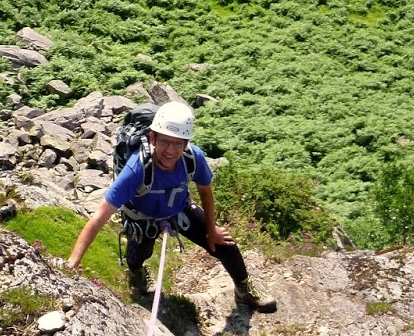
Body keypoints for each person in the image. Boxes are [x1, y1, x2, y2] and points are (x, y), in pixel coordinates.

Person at [67, 101, 275, 311]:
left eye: (178, 144)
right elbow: (100, 216)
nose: (170, 150)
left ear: (186, 143)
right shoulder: (137, 167)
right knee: (139, 256)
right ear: (152, 138)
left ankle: (244, 291)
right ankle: (137, 272)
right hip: (142, 217)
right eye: (165, 142)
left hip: (178, 209)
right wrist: (72, 264)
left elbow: (205, 191)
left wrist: (211, 230)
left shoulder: (193, 157)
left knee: (225, 245)